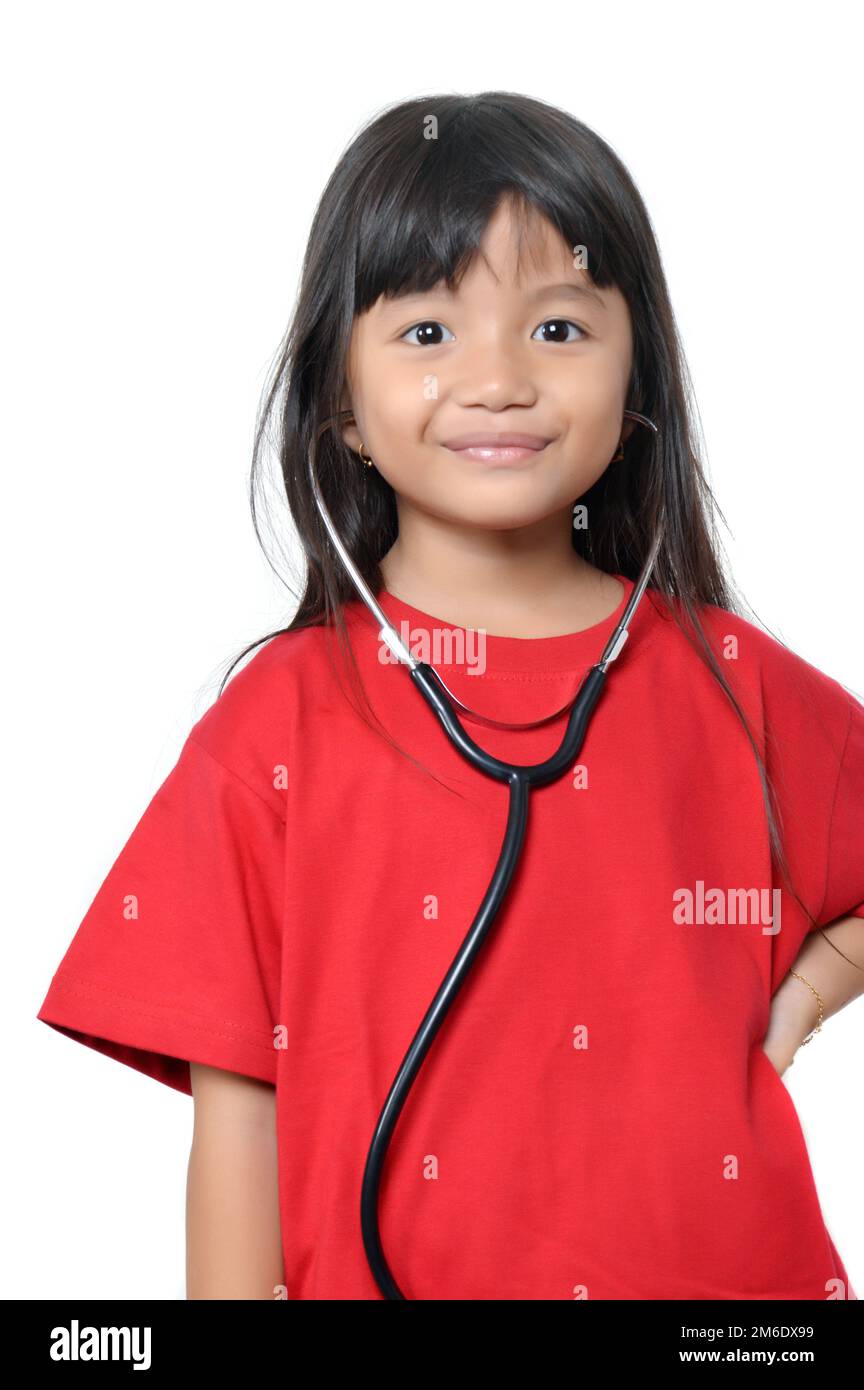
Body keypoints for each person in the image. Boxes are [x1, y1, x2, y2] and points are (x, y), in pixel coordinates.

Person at [36, 91, 864, 1301]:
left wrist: (814, 985)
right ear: (341, 402)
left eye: (560, 330)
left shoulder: (735, 685)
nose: (499, 380)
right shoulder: (279, 721)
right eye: (428, 333)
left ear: (640, 381)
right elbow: (240, 1105)